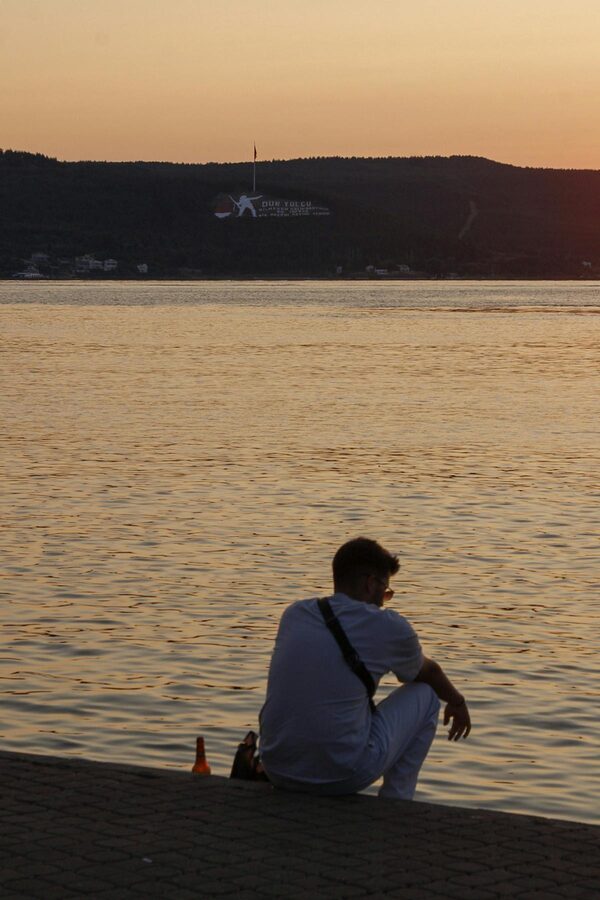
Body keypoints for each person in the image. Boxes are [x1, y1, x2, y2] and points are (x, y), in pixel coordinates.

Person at [259, 537, 471, 799]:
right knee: (426, 696)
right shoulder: (387, 626)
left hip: (277, 768)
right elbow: (429, 673)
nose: (384, 601)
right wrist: (457, 701)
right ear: (371, 583)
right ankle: (396, 803)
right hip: (341, 775)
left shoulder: (295, 614)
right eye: (386, 592)